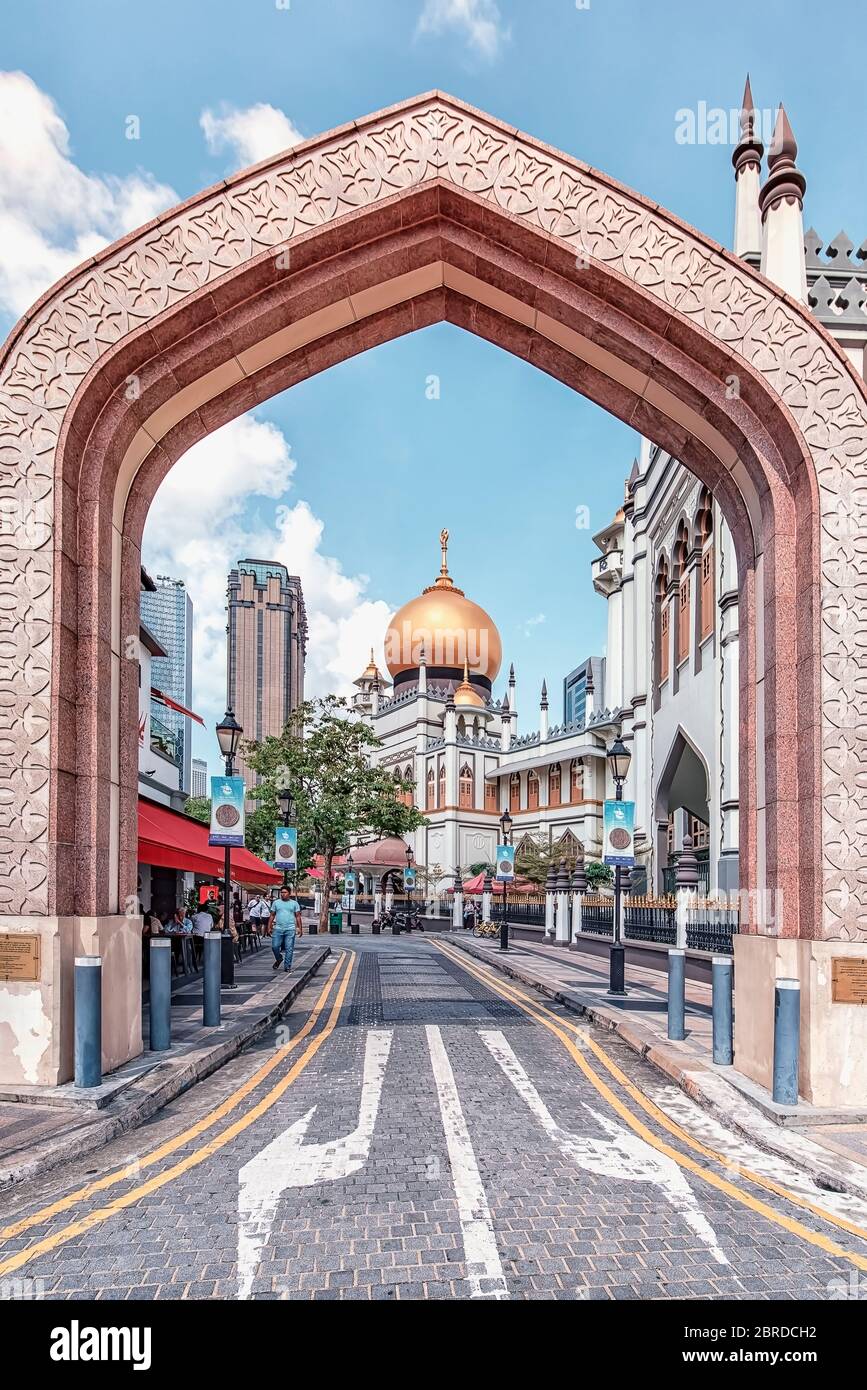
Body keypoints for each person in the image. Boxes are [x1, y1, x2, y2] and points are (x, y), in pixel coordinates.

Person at [268, 886, 303, 973]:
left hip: (290, 929)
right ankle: (279, 959)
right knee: (275, 947)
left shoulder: (294, 903)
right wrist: (269, 927)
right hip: (278, 928)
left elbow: (298, 916)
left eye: (285, 892)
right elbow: (272, 915)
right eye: (282, 892)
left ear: (289, 893)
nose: (283, 894)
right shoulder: (276, 903)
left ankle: (287, 966)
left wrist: (300, 928)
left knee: (289, 948)